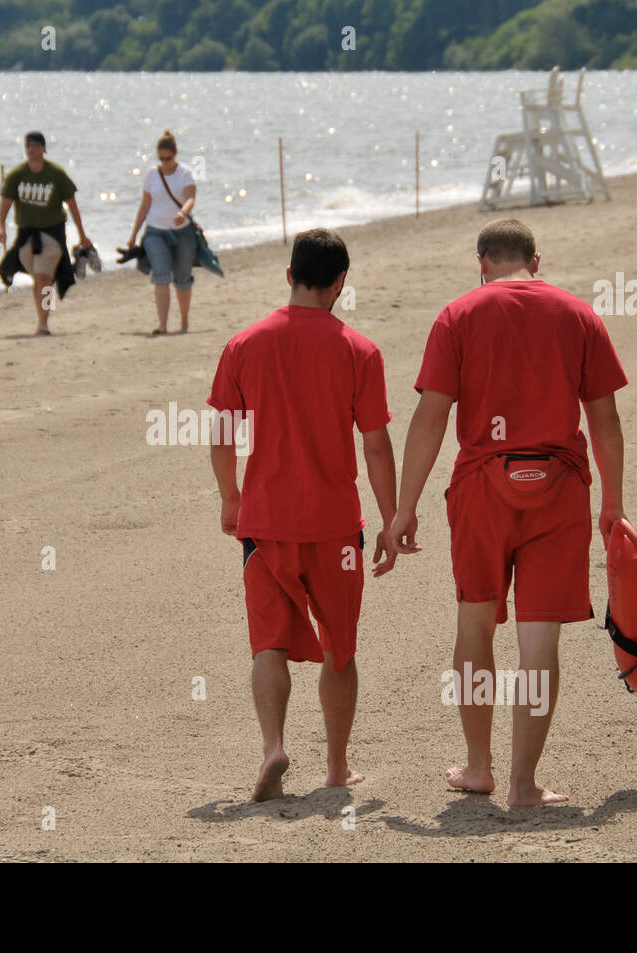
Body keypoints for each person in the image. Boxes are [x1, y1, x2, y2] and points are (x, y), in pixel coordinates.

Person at [388, 219, 628, 807]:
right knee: (538, 642)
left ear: (482, 263)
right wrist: (613, 504)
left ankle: (478, 767)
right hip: (560, 487)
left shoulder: (458, 316)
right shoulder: (578, 315)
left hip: (482, 490)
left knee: (473, 627)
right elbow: (605, 418)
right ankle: (524, 783)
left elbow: (430, 419)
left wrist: (404, 507)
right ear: (536, 261)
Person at [207, 227, 399, 802]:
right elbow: (376, 443)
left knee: (268, 642)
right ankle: (337, 768)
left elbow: (220, 431)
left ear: (289, 275)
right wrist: (391, 518)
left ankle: (273, 746)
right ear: (340, 283)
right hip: (336, 526)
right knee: (339, 647)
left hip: (264, 524)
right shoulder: (359, 350)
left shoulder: (244, 345)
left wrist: (229, 497)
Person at [0, 131, 93, 335]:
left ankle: (43, 323)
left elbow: (72, 205)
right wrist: (0, 227)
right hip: (26, 236)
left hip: (52, 235)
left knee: (43, 277)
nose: (32, 150)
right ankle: (44, 315)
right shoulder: (17, 175)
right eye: (29, 146)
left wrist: (82, 235)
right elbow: (5, 203)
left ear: (44, 148)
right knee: (41, 281)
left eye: (36, 146)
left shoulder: (56, 174)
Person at [127, 131, 199, 334]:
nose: (166, 163)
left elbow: (190, 198)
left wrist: (182, 213)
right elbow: (145, 206)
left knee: (183, 278)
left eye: (169, 158)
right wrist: (133, 235)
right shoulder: (151, 175)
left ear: (175, 154)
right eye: (162, 159)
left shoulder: (185, 173)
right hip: (155, 232)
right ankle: (163, 325)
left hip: (182, 232)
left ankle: (184, 321)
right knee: (161, 275)